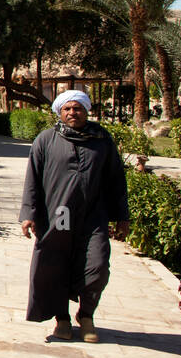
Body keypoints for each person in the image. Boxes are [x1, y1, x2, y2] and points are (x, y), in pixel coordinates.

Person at [18, 90, 130, 342]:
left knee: (97, 267)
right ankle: (62, 319)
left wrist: (122, 215)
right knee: (55, 267)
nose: (72, 113)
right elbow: (32, 180)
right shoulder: (46, 140)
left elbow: (116, 180)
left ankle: (86, 314)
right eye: (67, 109)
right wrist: (28, 214)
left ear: (86, 110)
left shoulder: (102, 140)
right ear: (59, 112)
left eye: (77, 108)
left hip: (93, 217)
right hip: (58, 215)